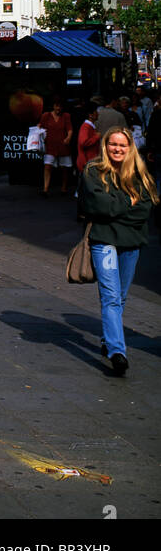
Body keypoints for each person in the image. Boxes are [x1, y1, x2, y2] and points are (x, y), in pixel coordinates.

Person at [81, 127, 157, 376]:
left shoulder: (140, 174)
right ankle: (117, 351)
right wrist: (127, 203)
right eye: (113, 144)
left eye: (122, 145)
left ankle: (107, 338)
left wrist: (114, 206)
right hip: (104, 242)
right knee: (111, 296)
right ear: (105, 145)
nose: (117, 149)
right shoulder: (93, 171)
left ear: (130, 147)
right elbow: (98, 206)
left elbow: (144, 209)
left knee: (121, 297)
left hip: (131, 243)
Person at [39, 99, 73, 196]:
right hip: (50, 145)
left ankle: (64, 188)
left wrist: (68, 137)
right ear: (53, 106)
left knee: (64, 168)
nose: (58, 108)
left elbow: (70, 129)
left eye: (60, 106)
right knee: (47, 166)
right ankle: (45, 189)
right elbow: (40, 126)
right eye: (57, 106)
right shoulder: (46, 116)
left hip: (63, 145)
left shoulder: (66, 116)